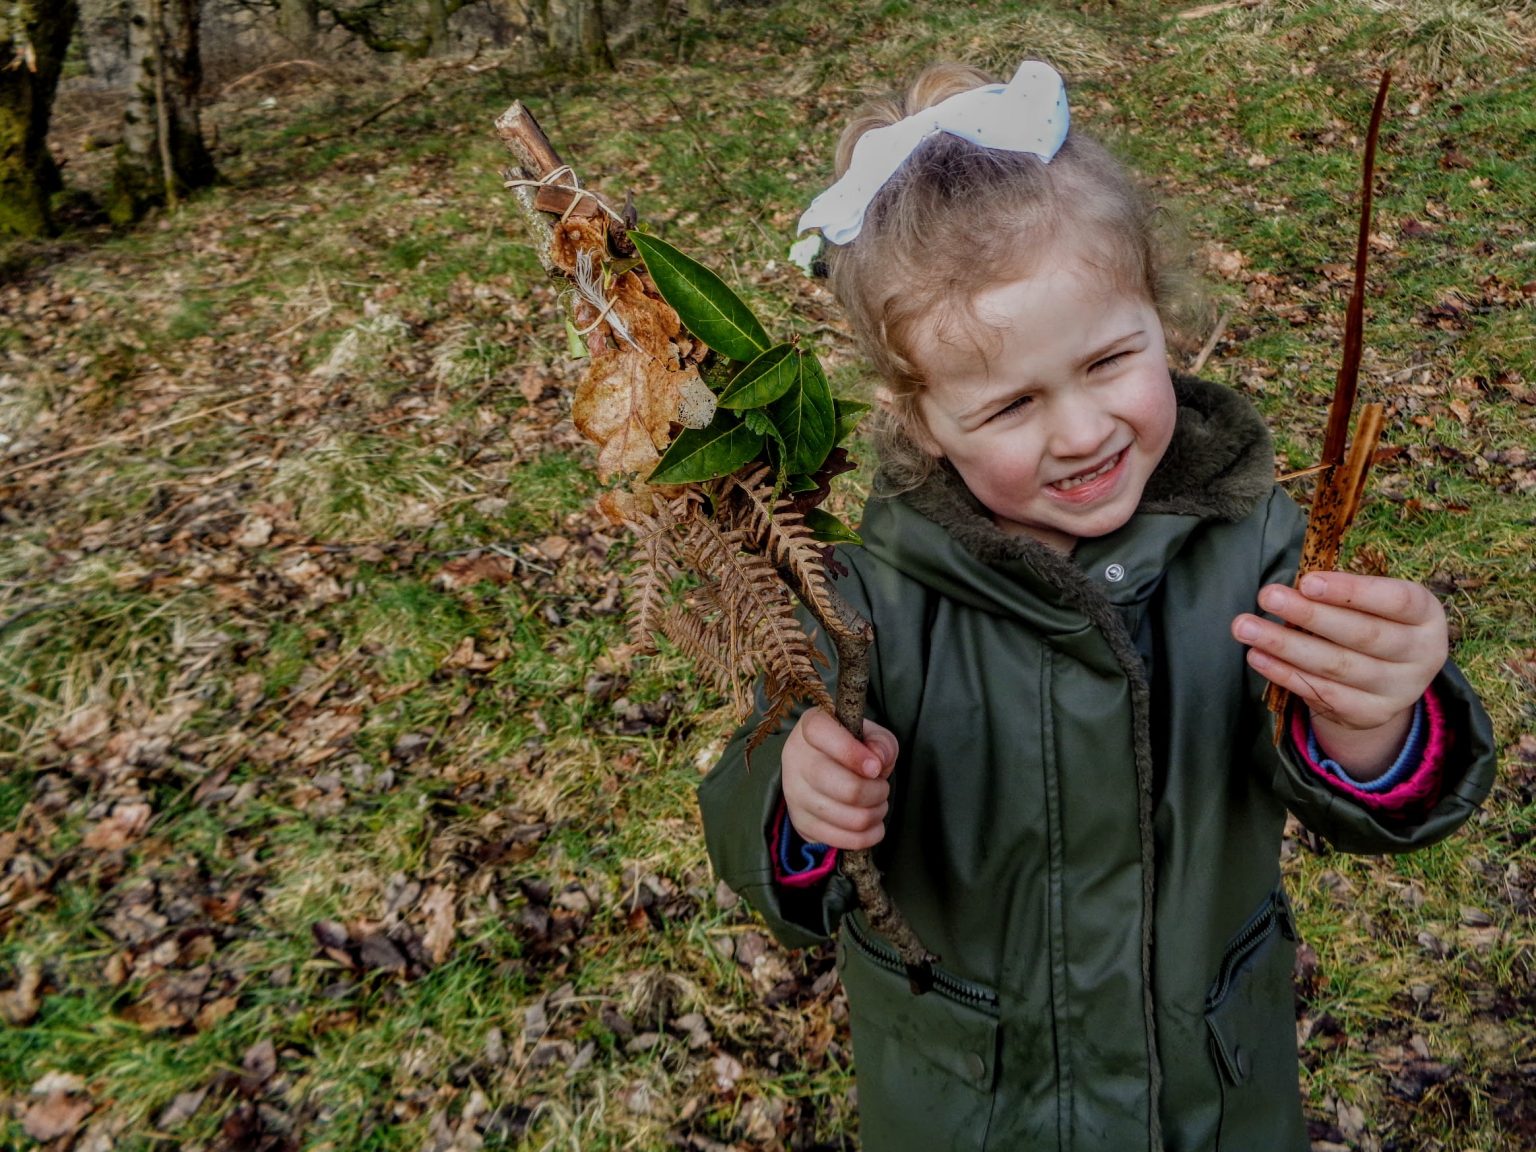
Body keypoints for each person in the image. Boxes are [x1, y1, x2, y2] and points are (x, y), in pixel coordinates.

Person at [696, 59, 1498, 1152]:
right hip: (968, 1107)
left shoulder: (1252, 552)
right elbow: (759, 814)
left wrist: (1375, 724)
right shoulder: (858, 601)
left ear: (1161, 321)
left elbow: (1362, 796)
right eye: (1014, 402)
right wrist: (798, 799)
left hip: (1207, 1100)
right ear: (923, 418)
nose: (1080, 433)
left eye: (1112, 359)